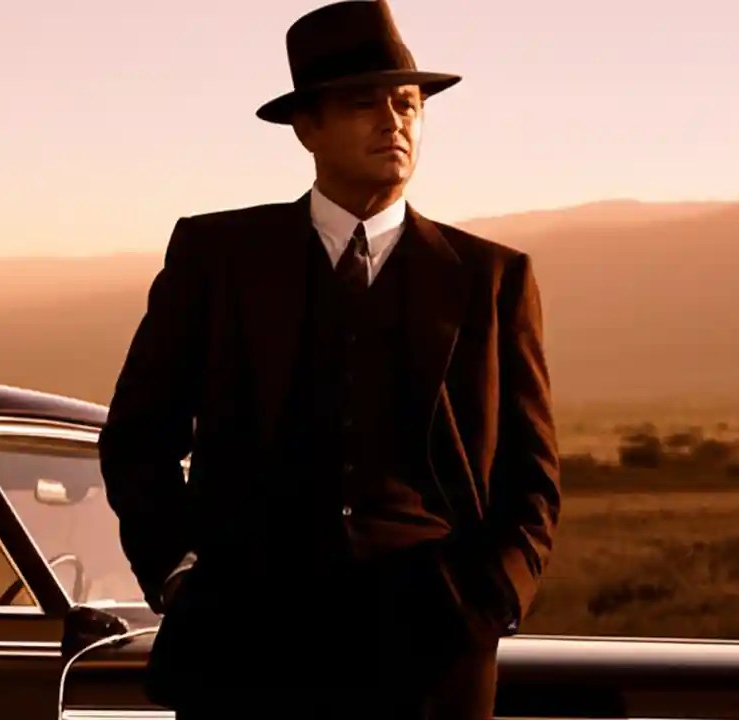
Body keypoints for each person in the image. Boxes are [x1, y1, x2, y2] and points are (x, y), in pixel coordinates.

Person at [97, 1, 561, 718]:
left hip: (432, 660)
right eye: (362, 102)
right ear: (306, 128)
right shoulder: (217, 258)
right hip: (244, 658)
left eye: (407, 103)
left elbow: (531, 478)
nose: (394, 120)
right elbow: (136, 436)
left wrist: (489, 601)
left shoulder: (491, 278)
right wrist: (181, 573)